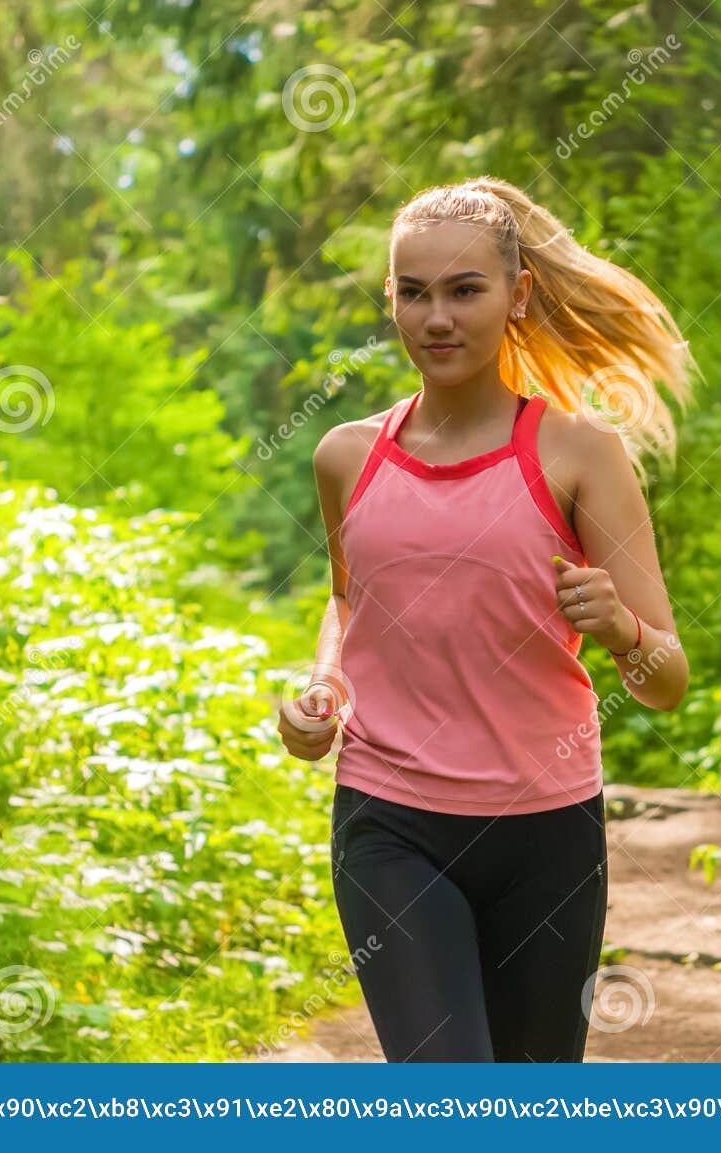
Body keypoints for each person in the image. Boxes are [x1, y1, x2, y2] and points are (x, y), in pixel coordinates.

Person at [278, 175, 696, 1062]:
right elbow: (350, 598)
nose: (437, 318)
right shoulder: (347, 456)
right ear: (390, 297)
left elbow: (665, 680)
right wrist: (323, 687)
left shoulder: (580, 454)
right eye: (414, 292)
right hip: (388, 819)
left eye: (465, 291)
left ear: (518, 295)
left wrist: (619, 628)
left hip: (546, 831)